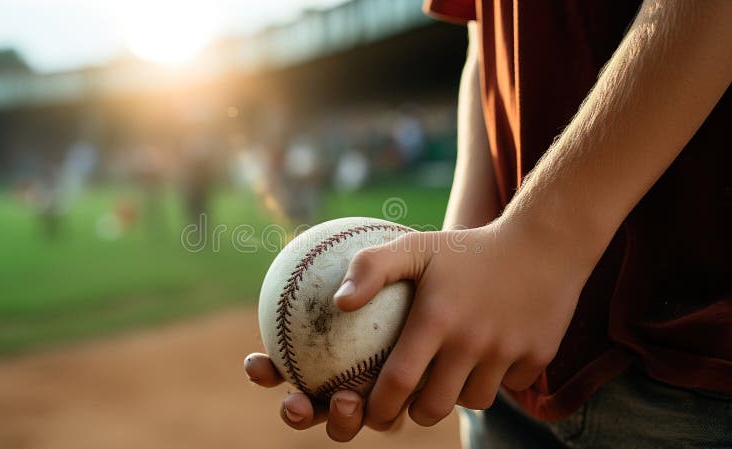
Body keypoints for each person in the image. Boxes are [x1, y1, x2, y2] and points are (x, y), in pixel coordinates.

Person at [245, 0, 732, 447]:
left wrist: (546, 240)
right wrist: (441, 292)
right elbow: (491, 33)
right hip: (501, 378)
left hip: (691, 363)